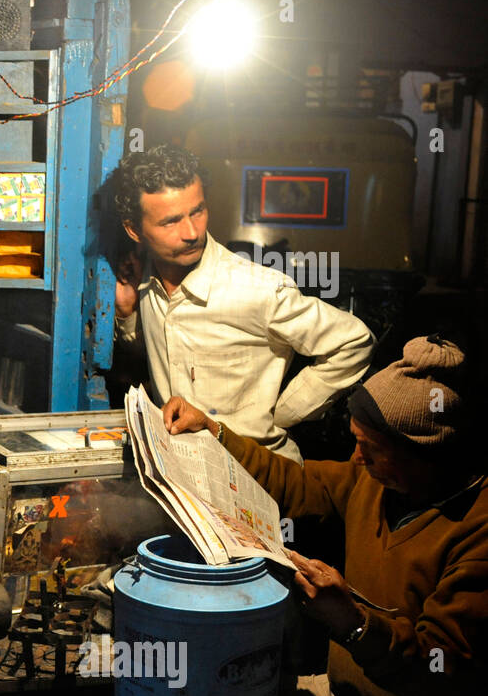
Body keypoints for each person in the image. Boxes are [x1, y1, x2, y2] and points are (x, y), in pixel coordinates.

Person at [162, 335, 488, 696]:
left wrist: (353, 624)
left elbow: (437, 669)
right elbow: (300, 483)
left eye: (370, 449)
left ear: (424, 455)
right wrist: (213, 432)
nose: (356, 459)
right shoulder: (376, 481)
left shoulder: (476, 531)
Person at [113, 144, 374, 463]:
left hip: (258, 474)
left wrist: (283, 413)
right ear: (134, 229)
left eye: (198, 211)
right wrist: (127, 312)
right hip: (182, 471)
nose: (192, 232)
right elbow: (161, 352)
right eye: (171, 222)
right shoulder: (144, 282)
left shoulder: (257, 289)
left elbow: (354, 341)